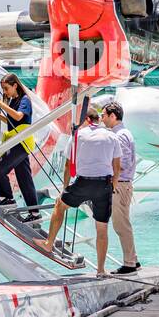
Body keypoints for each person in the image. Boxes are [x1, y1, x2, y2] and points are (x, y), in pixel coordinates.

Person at [43, 105, 123, 276]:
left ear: (86, 120)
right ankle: (101, 270)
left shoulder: (78, 136)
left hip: (84, 183)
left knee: (60, 205)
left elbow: (67, 165)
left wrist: (64, 188)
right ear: (98, 119)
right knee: (102, 230)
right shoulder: (112, 137)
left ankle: (49, 243)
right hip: (104, 185)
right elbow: (117, 167)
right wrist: (112, 186)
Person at [0, 73, 41, 222]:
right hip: (17, 140)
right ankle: (35, 214)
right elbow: (11, 120)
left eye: (6, 88)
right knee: (24, 179)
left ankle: (8, 199)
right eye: (3, 89)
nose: (5, 92)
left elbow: (18, 117)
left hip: (22, 142)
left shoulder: (24, 100)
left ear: (15, 85)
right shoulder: (14, 100)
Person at [99, 101, 141, 275]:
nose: (102, 119)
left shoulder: (119, 135)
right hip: (122, 184)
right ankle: (133, 259)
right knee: (122, 223)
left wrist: (105, 167)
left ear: (112, 116)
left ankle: (130, 263)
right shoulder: (122, 133)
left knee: (121, 224)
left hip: (120, 185)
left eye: (104, 115)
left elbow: (123, 162)